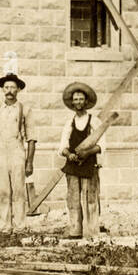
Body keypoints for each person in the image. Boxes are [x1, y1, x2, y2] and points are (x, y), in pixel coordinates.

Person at [0, 73, 35, 234]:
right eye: (7, 87)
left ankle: (20, 225)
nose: (9, 90)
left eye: (13, 87)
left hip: (17, 150)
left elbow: (31, 138)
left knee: (18, 189)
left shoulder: (25, 109)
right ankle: (5, 225)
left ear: (18, 89)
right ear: (2, 89)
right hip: (0, 149)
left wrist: (29, 162)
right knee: (2, 190)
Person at [58, 82, 102, 239]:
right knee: (73, 198)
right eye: (75, 99)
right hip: (72, 165)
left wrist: (87, 152)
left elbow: (102, 145)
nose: (78, 102)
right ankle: (75, 230)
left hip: (89, 165)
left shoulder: (94, 121)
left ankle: (92, 232)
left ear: (86, 101)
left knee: (90, 198)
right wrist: (68, 154)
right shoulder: (69, 123)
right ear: (72, 102)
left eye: (81, 99)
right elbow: (62, 146)